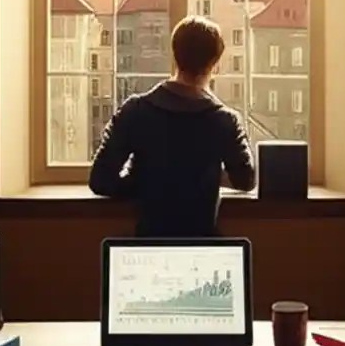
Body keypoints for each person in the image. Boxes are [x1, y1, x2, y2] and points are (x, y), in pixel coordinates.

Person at [89, 15, 257, 236]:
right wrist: (205, 176)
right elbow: (245, 180)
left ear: (174, 56)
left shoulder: (136, 111)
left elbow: (100, 179)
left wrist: (145, 181)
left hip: (149, 245)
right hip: (201, 246)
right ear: (215, 65)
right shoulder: (224, 121)